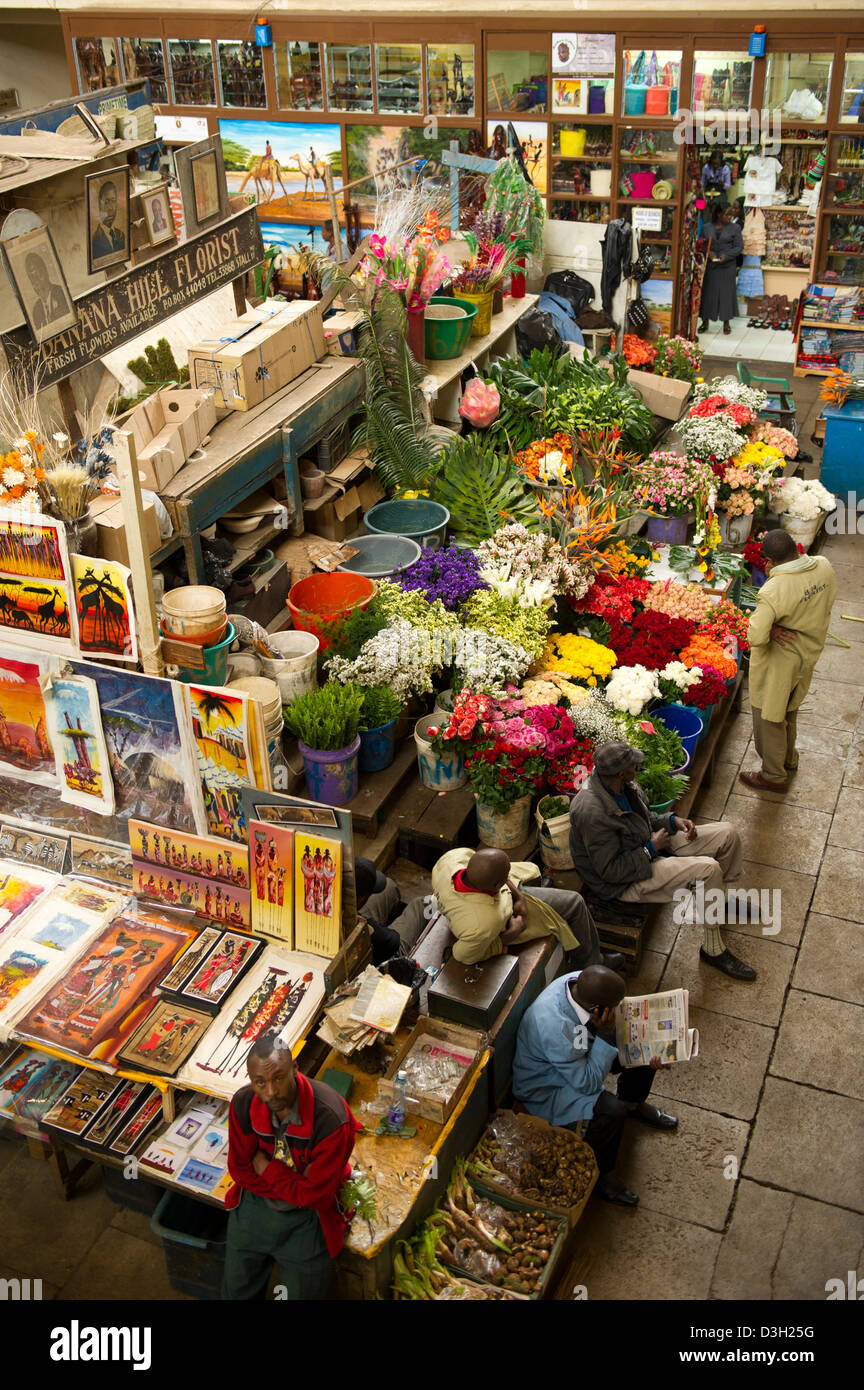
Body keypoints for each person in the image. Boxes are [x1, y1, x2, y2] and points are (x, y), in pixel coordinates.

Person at [569, 742, 756, 981]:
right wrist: (650, 849)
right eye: (633, 764)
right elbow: (610, 871)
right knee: (708, 870)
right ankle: (713, 949)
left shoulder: (623, 784)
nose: (637, 765)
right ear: (620, 772)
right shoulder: (592, 812)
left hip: (645, 847)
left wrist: (672, 821)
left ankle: (721, 900)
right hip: (625, 881)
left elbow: (645, 817)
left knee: (727, 834)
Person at [513, 965, 677, 1206]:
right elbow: (588, 1083)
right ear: (597, 1010)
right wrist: (604, 1035)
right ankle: (603, 1176)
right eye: (616, 1006)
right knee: (612, 1111)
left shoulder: (578, 982)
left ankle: (633, 1102)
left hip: (577, 1053)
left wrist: (645, 1049)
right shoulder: (554, 1024)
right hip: (549, 1084)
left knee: (642, 1043)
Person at [222, 1031, 361, 1300]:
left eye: (279, 1078)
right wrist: (297, 1186)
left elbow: (317, 1197)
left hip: (309, 1220)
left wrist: (266, 1167)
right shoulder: (242, 1103)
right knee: (236, 1292)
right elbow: (240, 1170)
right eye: (260, 1082)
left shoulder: (330, 1118)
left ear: (296, 1069)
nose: (271, 1091)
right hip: (255, 1208)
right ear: (250, 1080)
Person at [740, 529, 837, 792]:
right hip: (807, 654)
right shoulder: (824, 566)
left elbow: (756, 637)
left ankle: (773, 775)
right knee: (789, 710)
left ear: (770, 560)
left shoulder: (774, 589)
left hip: (780, 664)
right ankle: (788, 759)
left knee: (770, 718)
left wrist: (770, 629)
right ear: (796, 549)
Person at [430, 846, 622, 971]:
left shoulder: (452, 860)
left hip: (485, 900)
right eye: (504, 877)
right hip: (501, 923)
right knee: (575, 903)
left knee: (532, 869)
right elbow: (462, 955)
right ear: (497, 886)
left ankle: (533, 891)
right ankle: (590, 965)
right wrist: (509, 936)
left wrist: (518, 895)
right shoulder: (485, 923)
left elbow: (503, 878)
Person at [698, 203, 743, 335]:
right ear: (718, 214)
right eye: (727, 214)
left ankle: (726, 323)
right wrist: (709, 252)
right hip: (711, 266)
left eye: (731, 215)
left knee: (726, 294)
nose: (730, 217)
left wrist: (726, 256)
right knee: (708, 294)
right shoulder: (706, 227)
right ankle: (705, 322)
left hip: (727, 266)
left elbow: (738, 247)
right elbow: (701, 244)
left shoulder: (735, 228)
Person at [25, 252, 68, 331]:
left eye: (37, 276)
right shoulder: (36, 311)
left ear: (44, 272)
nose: (36, 283)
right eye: (32, 279)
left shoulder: (61, 293)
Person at [91, 179, 126, 261]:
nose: (110, 208)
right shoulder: (95, 240)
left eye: (113, 201)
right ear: (99, 206)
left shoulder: (121, 235)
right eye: (106, 202)